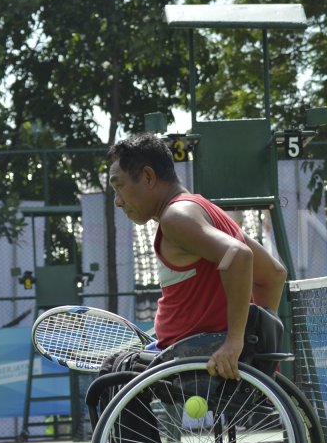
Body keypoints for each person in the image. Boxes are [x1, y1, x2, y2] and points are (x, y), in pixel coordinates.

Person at [106, 133, 287, 379]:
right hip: (196, 356)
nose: (117, 201)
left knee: (112, 373)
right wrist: (257, 346)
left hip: (192, 364)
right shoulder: (202, 209)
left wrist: (235, 343)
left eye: (119, 187)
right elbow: (273, 275)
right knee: (122, 364)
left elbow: (238, 257)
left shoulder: (176, 218)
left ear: (148, 177)